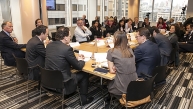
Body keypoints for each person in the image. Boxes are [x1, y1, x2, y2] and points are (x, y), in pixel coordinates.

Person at [45, 27, 94, 106]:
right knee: (84, 74)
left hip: (48, 80)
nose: (70, 37)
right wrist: (82, 60)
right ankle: (83, 100)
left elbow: (59, 56)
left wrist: (75, 57)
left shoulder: (49, 46)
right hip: (63, 82)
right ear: (65, 37)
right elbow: (78, 67)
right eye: (69, 35)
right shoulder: (67, 49)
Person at [107, 31, 138, 99]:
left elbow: (112, 71)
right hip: (134, 85)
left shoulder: (111, 51)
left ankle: (110, 98)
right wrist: (118, 67)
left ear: (116, 39)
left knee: (108, 82)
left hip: (121, 88)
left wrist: (116, 67)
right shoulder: (130, 50)